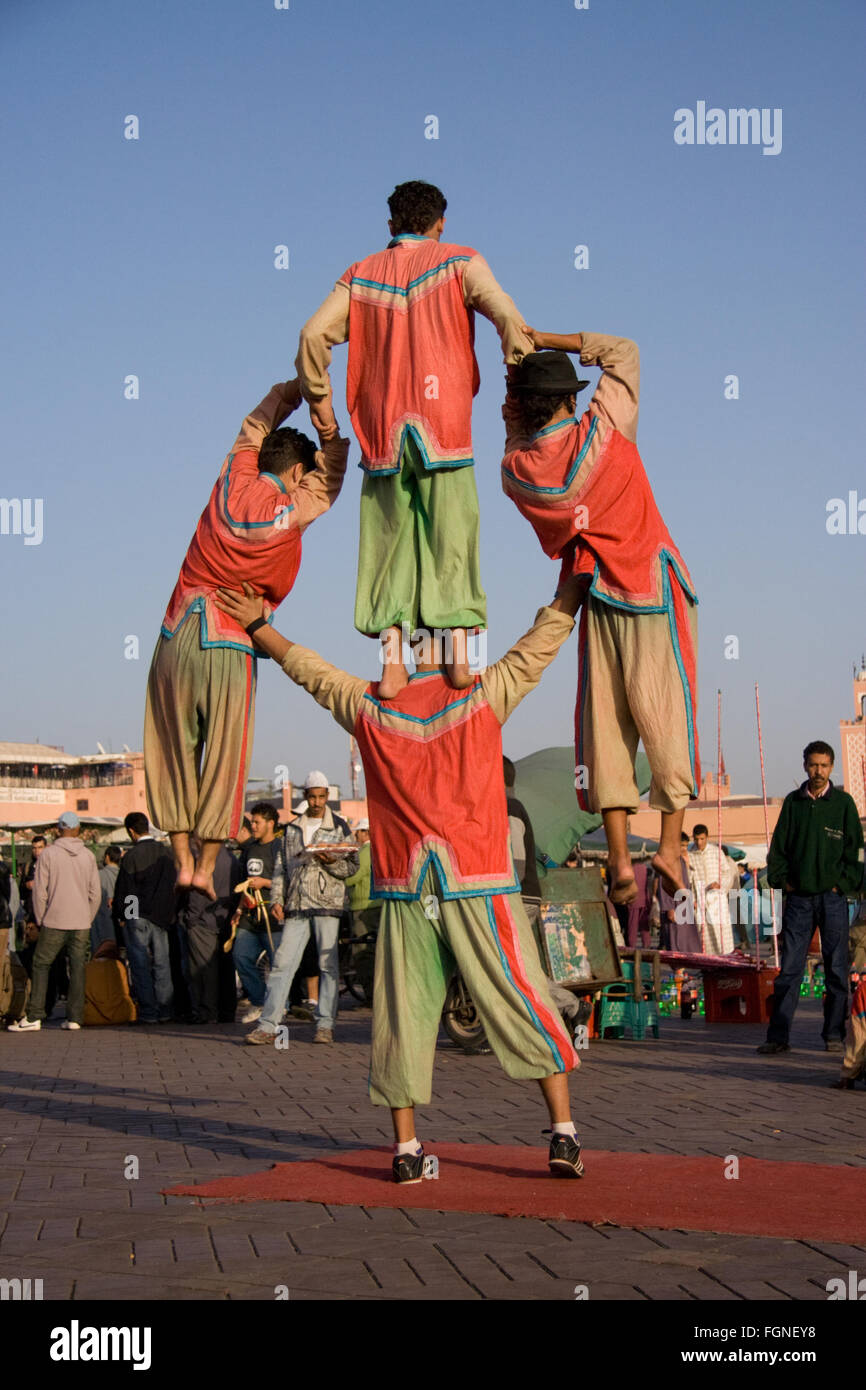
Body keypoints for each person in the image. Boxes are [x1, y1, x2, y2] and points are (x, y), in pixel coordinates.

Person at [216, 573, 586, 1182]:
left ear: (403, 656)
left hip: (407, 889)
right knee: (522, 996)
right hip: (477, 881)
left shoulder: (370, 706)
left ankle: (408, 1151)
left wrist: (260, 626)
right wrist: (571, 586)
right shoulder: (483, 694)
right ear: (456, 648)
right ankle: (564, 1135)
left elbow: (309, 672)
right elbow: (538, 646)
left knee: (401, 1013)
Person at [297, 180, 534, 697]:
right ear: (440, 221)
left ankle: (393, 668)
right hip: (445, 429)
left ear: (391, 226)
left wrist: (322, 409)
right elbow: (506, 315)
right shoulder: (460, 260)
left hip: (382, 435)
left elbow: (313, 334)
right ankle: (457, 662)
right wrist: (518, 380)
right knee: (451, 540)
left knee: (388, 550)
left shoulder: (360, 275)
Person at [501, 333, 699, 909]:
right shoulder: (605, 428)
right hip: (651, 586)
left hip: (598, 595)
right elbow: (625, 350)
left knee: (605, 731)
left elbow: (514, 432)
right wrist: (542, 339)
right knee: (667, 719)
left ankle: (617, 856)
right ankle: (667, 846)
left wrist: (517, 395)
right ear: (568, 400)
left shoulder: (520, 471)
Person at [144, 379, 349, 898]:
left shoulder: (232, 476)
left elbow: (254, 424)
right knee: (225, 755)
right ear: (296, 472)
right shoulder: (292, 507)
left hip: (175, 632)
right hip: (231, 636)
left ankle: (183, 857)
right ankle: (207, 865)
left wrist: (294, 388)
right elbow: (333, 475)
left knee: (171, 749)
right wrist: (327, 418)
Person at [758, 741, 863, 1055]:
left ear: (832, 767)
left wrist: (842, 884)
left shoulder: (843, 803)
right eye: (813, 765)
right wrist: (784, 882)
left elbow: (856, 851)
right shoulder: (794, 803)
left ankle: (833, 1034)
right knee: (790, 970)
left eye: (824, 766)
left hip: (832, 901)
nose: (818, 771)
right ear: (805, 765)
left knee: (836, 970)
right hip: (799, 901)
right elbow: (778, 849)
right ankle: (778, 1037)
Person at [245, 773, 357, 1045]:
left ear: (327, 796)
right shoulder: (292, 829)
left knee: (327, 966)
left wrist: (329, 861)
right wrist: (277, 900)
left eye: (321, 796)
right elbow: (282, 869)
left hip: (327, 904)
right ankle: (268, 1024)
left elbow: (352, 866)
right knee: (282, 964)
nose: (317, 801)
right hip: (297, 905)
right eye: (312, 796)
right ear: (306, 796)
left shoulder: (339, 827)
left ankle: (325, 1024)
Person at [9, 812, 100, 1032]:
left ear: (59, 830)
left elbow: (39, 892)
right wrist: (87, 917)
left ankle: (35, 1015)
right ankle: (75, 1017)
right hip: (81, 921)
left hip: (54, 919)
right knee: (78, 967)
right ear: (78, 830)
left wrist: (41, 919)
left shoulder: (48, 855)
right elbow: (95, 893)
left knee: (41, 964)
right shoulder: (88, 856)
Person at [111, 813, 177, 1024]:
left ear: (131, 831)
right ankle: (165, 1009)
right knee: (162, 964)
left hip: (137, 916)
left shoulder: (131, 856)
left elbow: (127, 890)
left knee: (140, 966)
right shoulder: (165, 853)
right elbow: (170, 888)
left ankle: (148, 1012)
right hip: (160, 917)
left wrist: (127, 917)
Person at [230, 802, 283, 1024]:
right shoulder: (249, 848)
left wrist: (265, 883)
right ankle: (259, 1001)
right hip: (250, 914)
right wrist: (239, 908)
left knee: (278, 963)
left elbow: (286, 881)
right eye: (252, 821)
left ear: (270, 824)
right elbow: (244, 882)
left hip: (273, 913)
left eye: (257, 822)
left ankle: (280, 1006)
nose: (253, 825)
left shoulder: (279, 848)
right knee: (240, 955)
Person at [181, 840, 243, 1024]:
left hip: (202, 919)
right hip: (224, 918)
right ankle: (226, 1011)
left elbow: (196, 895)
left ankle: (206, 1012)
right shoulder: (232, 858)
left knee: (203, 970)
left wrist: (190, 919)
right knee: (224, 968)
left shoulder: (203, 860)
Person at [688, 825, 738, 955]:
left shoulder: (716, 852)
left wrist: (720, 885)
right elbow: (688, 880)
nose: (699, 842)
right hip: (700, 899)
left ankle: (725, 960)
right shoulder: (690, 855)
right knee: (704, 934)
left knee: (721, 932)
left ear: (707, 837)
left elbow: (727, 873)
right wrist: (692, 898)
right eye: (696, 839)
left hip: (717, 899)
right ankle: (708, 963)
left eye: (702, 839)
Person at [344, 818, 378, 1003]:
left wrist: (340, 876)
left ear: (365, 832)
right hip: (377, 904)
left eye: (358, 832)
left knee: (363, 952)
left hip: (364, 906)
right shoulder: (379, 848)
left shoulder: (365, 851)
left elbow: (353, 877)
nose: (355, 835)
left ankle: (371, 994)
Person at [658, 832, 701, 952]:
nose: (684, 849)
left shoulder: (681, 860)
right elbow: (663, 887)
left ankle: (687, 967)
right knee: (674, 939)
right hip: (673, 906)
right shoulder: (667, 861)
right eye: (681, 845)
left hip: (684, 905)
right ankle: (677, 970)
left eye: (686, 846)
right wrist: (669, 908)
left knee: (688, 939)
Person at [91, 844, 121, 953]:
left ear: (107, 857)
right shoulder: (123, 874)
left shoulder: (98, 875)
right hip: (119, 920)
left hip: (100, 919)